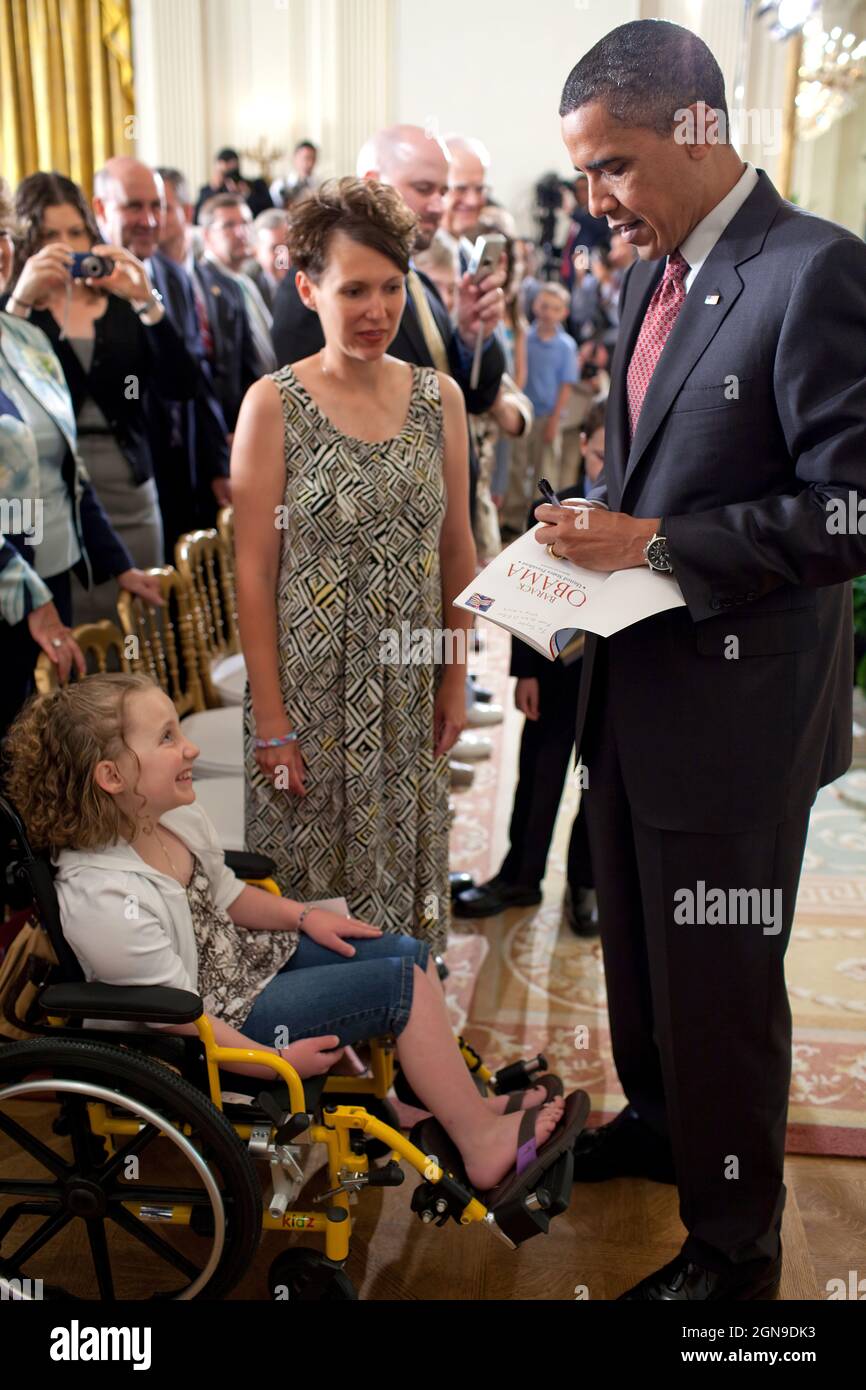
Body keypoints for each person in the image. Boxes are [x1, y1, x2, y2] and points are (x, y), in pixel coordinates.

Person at [536, 18, 866, 1302]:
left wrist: (657, 542)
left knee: (719, 989)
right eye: (580, 171)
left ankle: (732, 1260)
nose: (594, 200)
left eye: (609, 165)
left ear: (694, 129)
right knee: (637, 952)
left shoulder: (815, 272)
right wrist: (583, 530)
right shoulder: (642, 280)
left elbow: (850, 511)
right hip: (631, 690)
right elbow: (651, 466)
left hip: (733, 722)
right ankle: (663, 1127)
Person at [3, 672, 586, 1197]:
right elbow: (176, 1016)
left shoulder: (168, 816)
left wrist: (307, 917)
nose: (190, 748)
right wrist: (272, 1061)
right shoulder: (102, 896)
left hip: (246, 962)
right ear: (111, 776)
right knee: (400, 986)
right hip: (217, 1020)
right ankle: (481, 1143)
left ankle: (432, 1104)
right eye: (165, 739)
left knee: (410, 951)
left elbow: (229, 894)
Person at [233, 178, 477, 956]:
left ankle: (403, 1041)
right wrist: (271, 723)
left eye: (392, 288)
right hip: (308, 693)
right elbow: (252, 571)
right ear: (308, 289)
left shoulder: (441, 399)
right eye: (354, 290)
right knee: (309, 888)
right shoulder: (272, 404)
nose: (377, 311)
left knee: (401, 873)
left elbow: (457, 549)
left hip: (406, 690)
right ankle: (322, 1053)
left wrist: (453, 674)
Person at [0, 178, 162, 740]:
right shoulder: (25, 319)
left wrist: (118, 563)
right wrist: (28, 598)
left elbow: (69, 471)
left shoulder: (24, 340)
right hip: (13, 587)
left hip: (54, 568)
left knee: (53, 736)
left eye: (0, 234)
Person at [8, 169, 196, 625]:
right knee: (73, 637)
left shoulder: (116, 303)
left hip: (129, 486)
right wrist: (18, 303)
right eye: (50, 235)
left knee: (138, 629)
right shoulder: (18, 312)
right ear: (27, 243)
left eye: (76, 232)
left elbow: (182, 384)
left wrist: (144, 300)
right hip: (51, 498)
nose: (67, 245)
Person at [455, 404, 606, 928]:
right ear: (583, 443)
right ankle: (519, 877)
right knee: (538, 775)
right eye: (600, 454)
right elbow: (526, 597)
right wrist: (524, 672)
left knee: (599, 786)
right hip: (555, 667)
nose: (606, 467)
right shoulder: (552, 504)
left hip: (611, 675)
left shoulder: (637, 513)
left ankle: (585, 887)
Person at [150, 166, 232, 541]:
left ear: (184, 211)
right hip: (162, 465)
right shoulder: (141, 280)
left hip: (210, 451)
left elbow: (215, 378)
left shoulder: (218, 284)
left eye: (160, 206)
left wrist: (221, 458)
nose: (150, 219)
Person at [501, 282, 578, 535]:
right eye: (544, 306)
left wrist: (555, 420)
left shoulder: (566, 346)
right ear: (535, 306)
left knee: (545, 468)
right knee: (517, 465)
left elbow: (565, 386)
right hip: (525, 415)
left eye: (555, 308)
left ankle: (543, 516)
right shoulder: (525, 338)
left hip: (548, 416)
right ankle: (513, 518)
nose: (547, 312)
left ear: (563, 313)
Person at [198, 193, 277, 375]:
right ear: (207, 235)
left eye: (246, 223)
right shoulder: (205, 285)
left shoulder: (245, 280)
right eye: (229, 225)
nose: (241, 232)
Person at [194, 147, 272, 223]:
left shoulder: (256, 185)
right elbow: (199, 219)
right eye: (224, 172)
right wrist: (215, 189)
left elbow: (269, 212)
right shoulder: (209, 190)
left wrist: (247, 195)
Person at [242, 208, 291, 312]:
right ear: (255, 252)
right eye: (275, 248)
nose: (285, 257)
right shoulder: (246, 290)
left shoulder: (313, 280)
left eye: (290, 246)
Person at [270, 140, 319, 208]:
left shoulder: (319, 185)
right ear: (295, 158)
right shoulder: (279, 184)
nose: (310, 163)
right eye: (306, 158)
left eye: (313, 159)